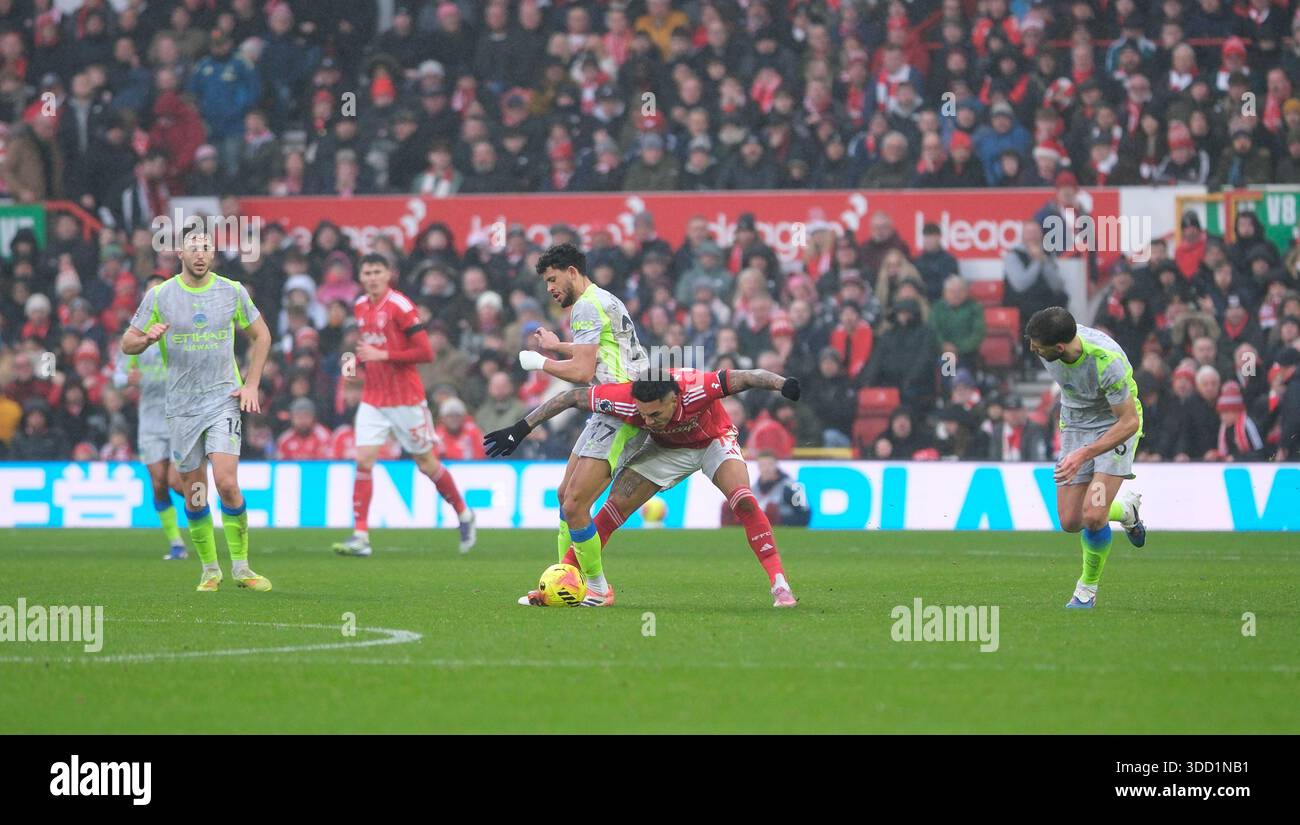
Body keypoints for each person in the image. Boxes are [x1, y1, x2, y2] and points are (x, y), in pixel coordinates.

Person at [485, 367, 803, 608]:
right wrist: (520, 429)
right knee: (610, 513)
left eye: (656, 413)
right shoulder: (625, 400)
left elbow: (747, 377)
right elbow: (569, 397)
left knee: (744, 501)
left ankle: (779, 584)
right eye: (643, 413)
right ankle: (561, 580)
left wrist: (781, 384)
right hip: (664, 451)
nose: (648, 420)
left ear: (674, 398)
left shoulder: (698, 388)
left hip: (713, 442)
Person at [122, 233, 273, 592]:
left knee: (227, 482)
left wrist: (251, 384)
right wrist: (145, 340)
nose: (201, 254)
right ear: (180, 252)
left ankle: (242, 567)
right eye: (194, 248)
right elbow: (127, 340)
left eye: (207, 248)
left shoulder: (232, 291)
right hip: (180, 407)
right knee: (195, 492)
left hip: (223, 399)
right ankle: (209, 569)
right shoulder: (160, 296)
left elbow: (262, 335)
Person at [515, 243, 649, 606]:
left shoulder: (586, 306)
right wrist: (558, 346)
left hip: (623, 410)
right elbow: (601, 353)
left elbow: (582, 371)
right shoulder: (603, 299)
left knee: (575, 504)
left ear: (572, 271)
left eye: (553, 279)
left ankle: (598, 589)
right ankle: (565, 581)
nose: (550, 288)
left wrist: (538, 362)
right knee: (565, 496)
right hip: (608, 405)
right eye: (545, 283)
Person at [331, 254, 476, 557]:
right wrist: (359, 365)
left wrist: (382, 356)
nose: (371, 277)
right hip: (373, 398)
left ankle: (463, 512)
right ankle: (361, 536)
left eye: (377, 271)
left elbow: (425, 353)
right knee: (364, 461)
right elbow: (369, 350)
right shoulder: (359, 307)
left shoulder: (401, 306)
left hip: (406, 399)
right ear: (360, 276)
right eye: (367, 272)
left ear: (389, 275)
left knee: (426, 464)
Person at [1025, 306, 1147, 610]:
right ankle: (1126, 510)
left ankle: (1086, 590)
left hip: (1115, 423)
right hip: (1076, 424)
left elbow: (1128, 421)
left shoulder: (1107, 363)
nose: (1032, 349)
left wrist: (1085, 453)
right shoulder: (1051, 343)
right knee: (1069, 521)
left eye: (1038, 345)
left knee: (1093, 515)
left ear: (1060, 347)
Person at [114, 271, 187, 559]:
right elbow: (119, 374)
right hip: (151, 419)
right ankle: (176, 543)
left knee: (175, 482)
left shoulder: (181, 330)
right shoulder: (135, 336)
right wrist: (126, 380)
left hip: (181, 416)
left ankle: (202, 508)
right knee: (158, 482)